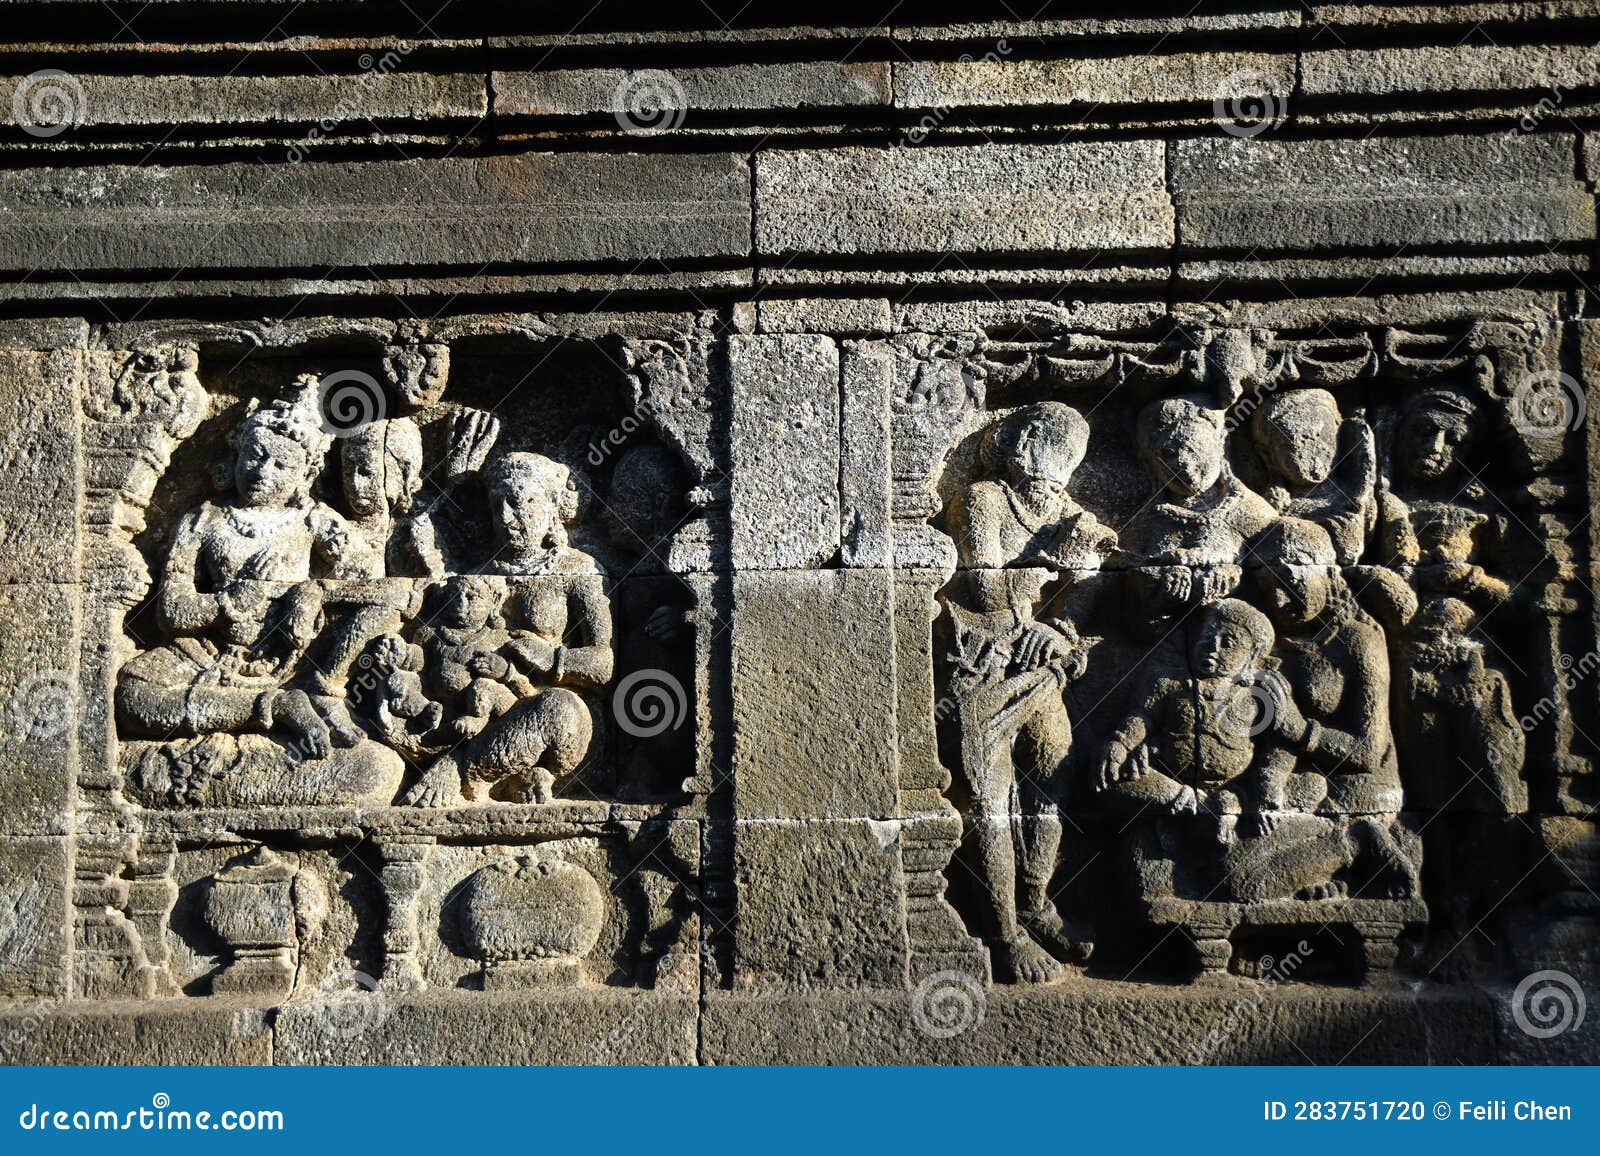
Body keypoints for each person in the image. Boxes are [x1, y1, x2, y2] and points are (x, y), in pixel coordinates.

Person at [938, 402, 1112, 982]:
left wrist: (1061, 627)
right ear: (1019, 440)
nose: (1049, 470)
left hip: (1039, 669)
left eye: (1062, 457)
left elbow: (1088, 583)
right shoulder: (984, 499)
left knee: (1052, 771)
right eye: (1041, 445)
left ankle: (1036, 899)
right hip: (980, 664)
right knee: (989, 793)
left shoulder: (1063, 509)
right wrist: (1041, 566)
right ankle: (1003, 930)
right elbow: (983, 583)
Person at [402, 452, 614, 806]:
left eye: (521, 503)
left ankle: (462, 770)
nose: (506, 517)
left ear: (550, 506)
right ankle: (504, 772)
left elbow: (603, 664)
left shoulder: (580, 571)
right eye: (497, 504)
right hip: (479, 711)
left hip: (555, 722)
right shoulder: (477, 574)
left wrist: (550, 657)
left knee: (558, 707)